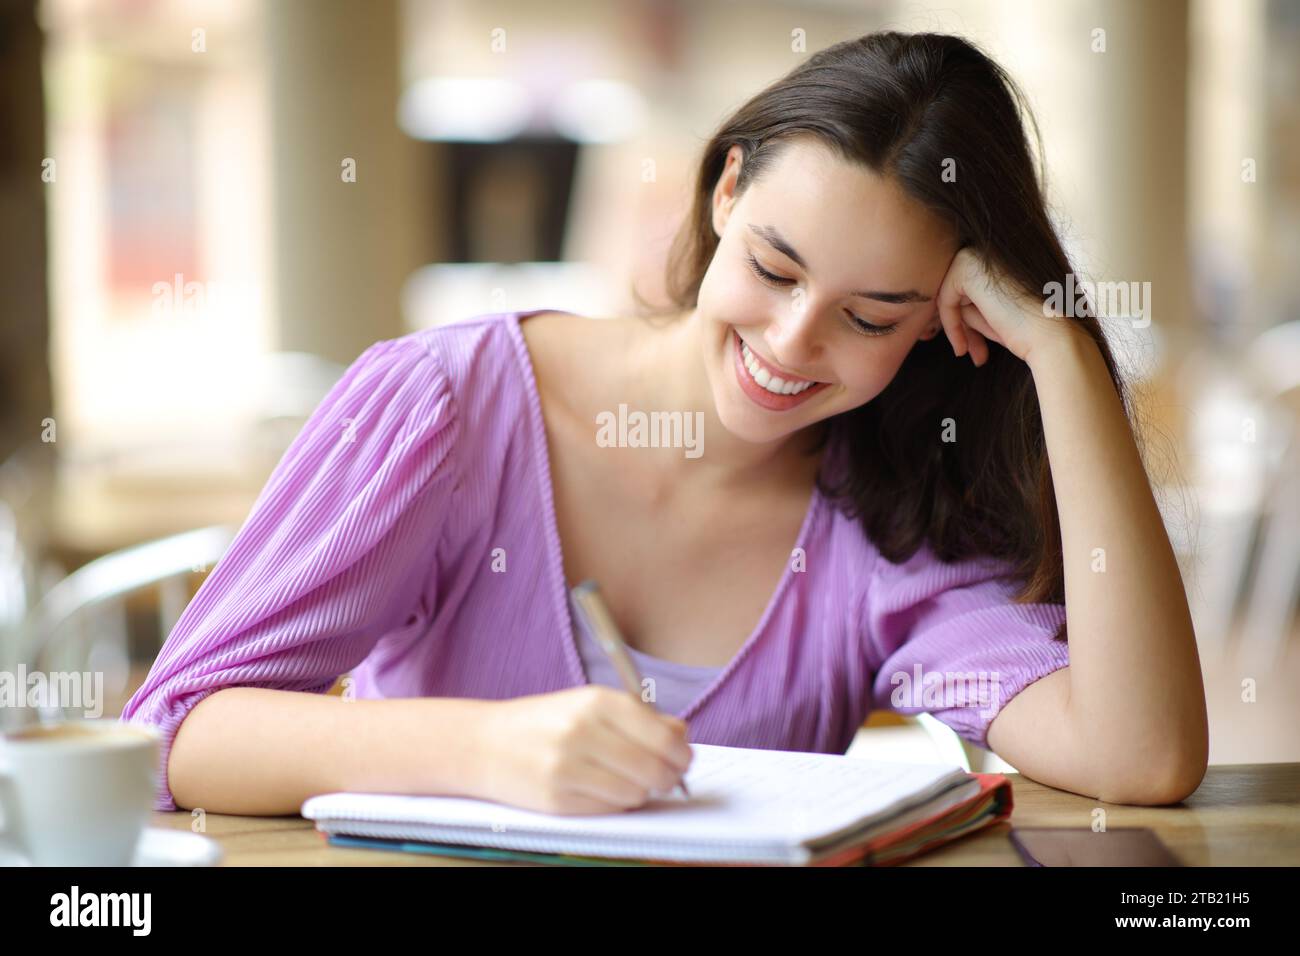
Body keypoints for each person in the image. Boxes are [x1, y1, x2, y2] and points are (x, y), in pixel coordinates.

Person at [122, 31, 1208, 817]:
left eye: (870, 315)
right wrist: (487, 747)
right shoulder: (446, 409)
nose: (789, 341)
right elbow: (176, 731)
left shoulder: (891, 528)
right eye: (774, 267)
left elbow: (1142, 752)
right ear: (727, 190)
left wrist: (1059, 351)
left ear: (938, 326)